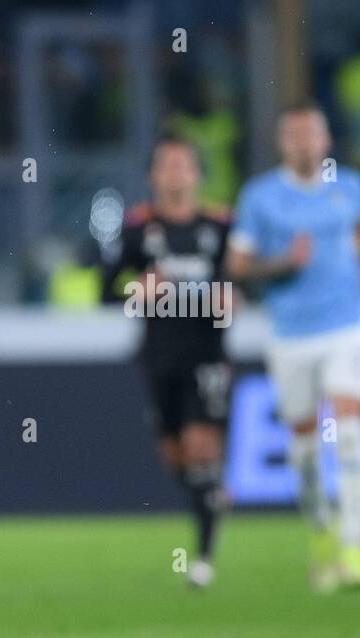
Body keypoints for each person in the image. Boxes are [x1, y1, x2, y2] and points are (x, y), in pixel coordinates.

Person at [227, 104, 360, 592]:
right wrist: (282, 264)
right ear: (281, 143)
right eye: (293, 135)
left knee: (352, 433)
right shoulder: (260, 196)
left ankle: (355, 548)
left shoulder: (349, 186)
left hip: (347, 326)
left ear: (326, 140)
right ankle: (321, 532)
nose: (303, 143)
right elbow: (238, 266)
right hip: (291, 335)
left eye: (310, 134)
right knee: (305, 450)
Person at [102, 137, 231, 587]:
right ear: (153, 177)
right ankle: (212, 496)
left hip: (207, 357)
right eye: (167, 166)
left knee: (199, 445)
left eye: (184, 166)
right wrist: (135, 289)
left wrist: (231, 296)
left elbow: (240, 284)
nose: (176, 174)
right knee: (174, 455)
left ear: (197, 175)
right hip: (158, 359)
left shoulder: (221, 226)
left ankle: (204, 558)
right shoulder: (139, 229)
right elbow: (105, 288)